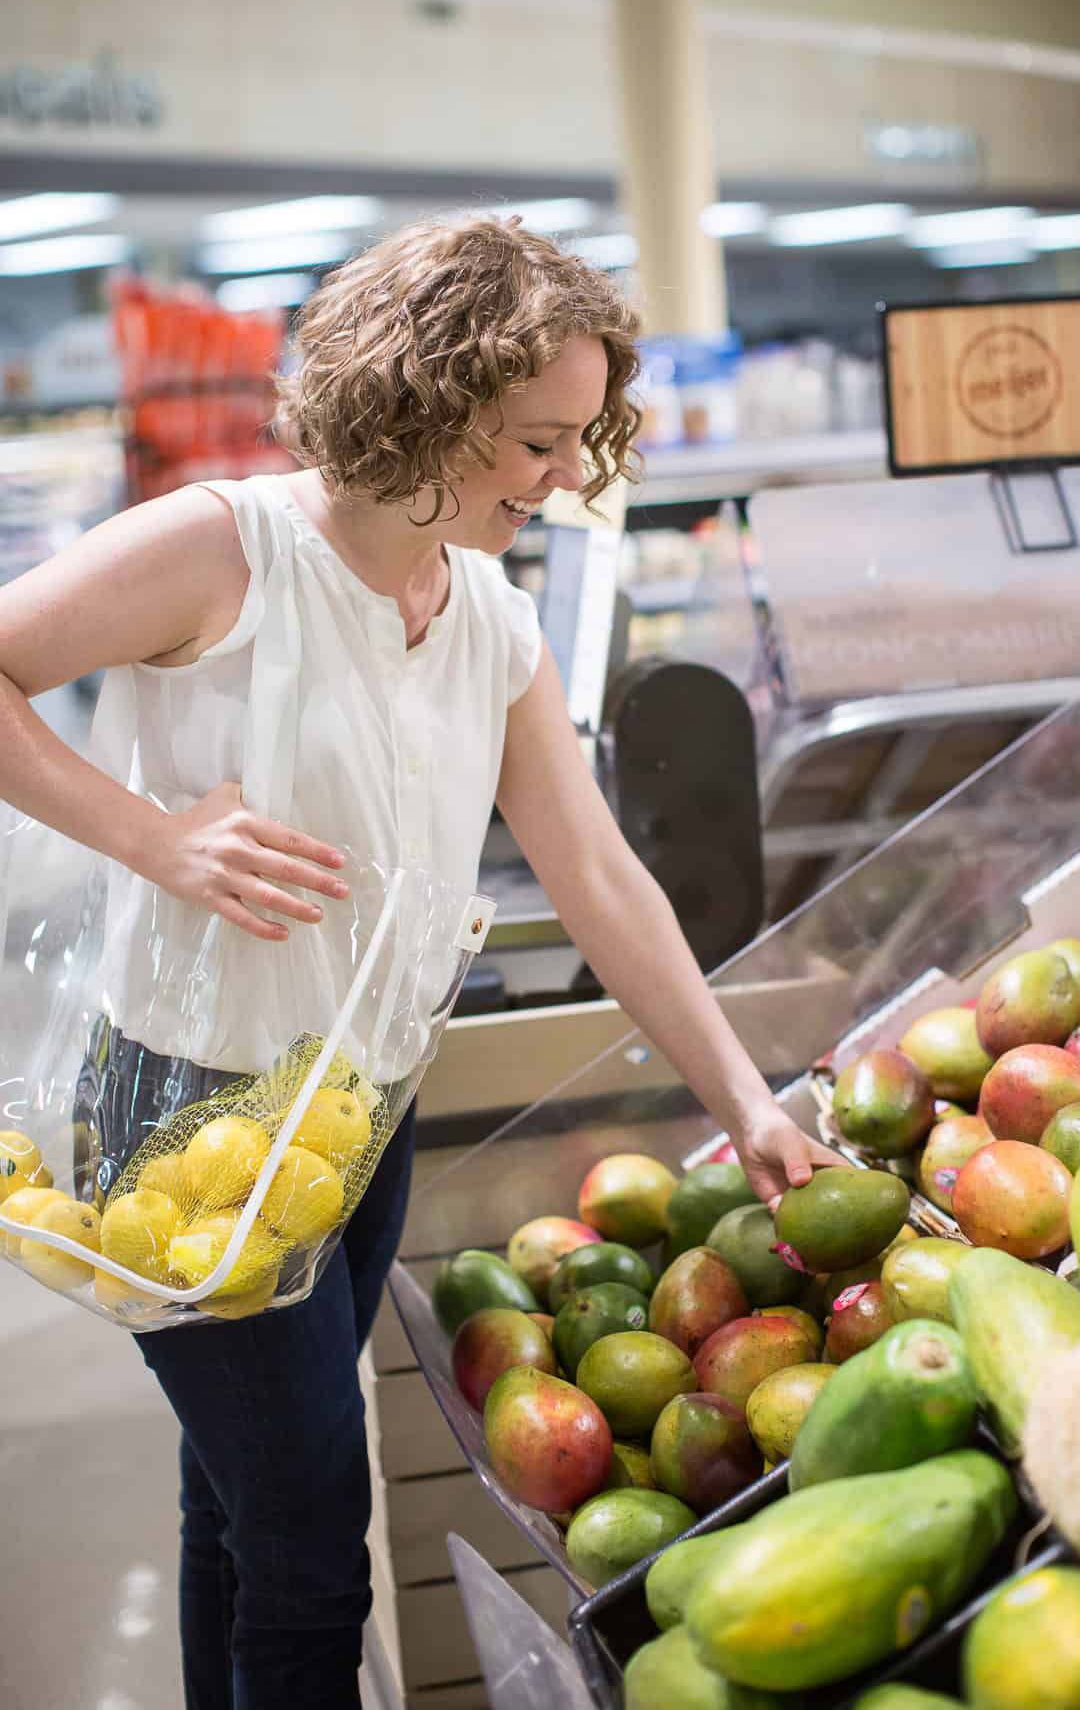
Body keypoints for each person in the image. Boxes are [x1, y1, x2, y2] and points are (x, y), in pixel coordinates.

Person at [0, 217, 841, 1710]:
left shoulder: (492, 621)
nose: (569, 478)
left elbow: (597, 875)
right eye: (535, 440)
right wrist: (154, 839)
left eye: (584, 439)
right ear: (424, 399)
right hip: (190, 1114)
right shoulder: (226, 551)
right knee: (316, 1546)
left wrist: (746, 1096)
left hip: (359, 1113)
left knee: (238, 1505)